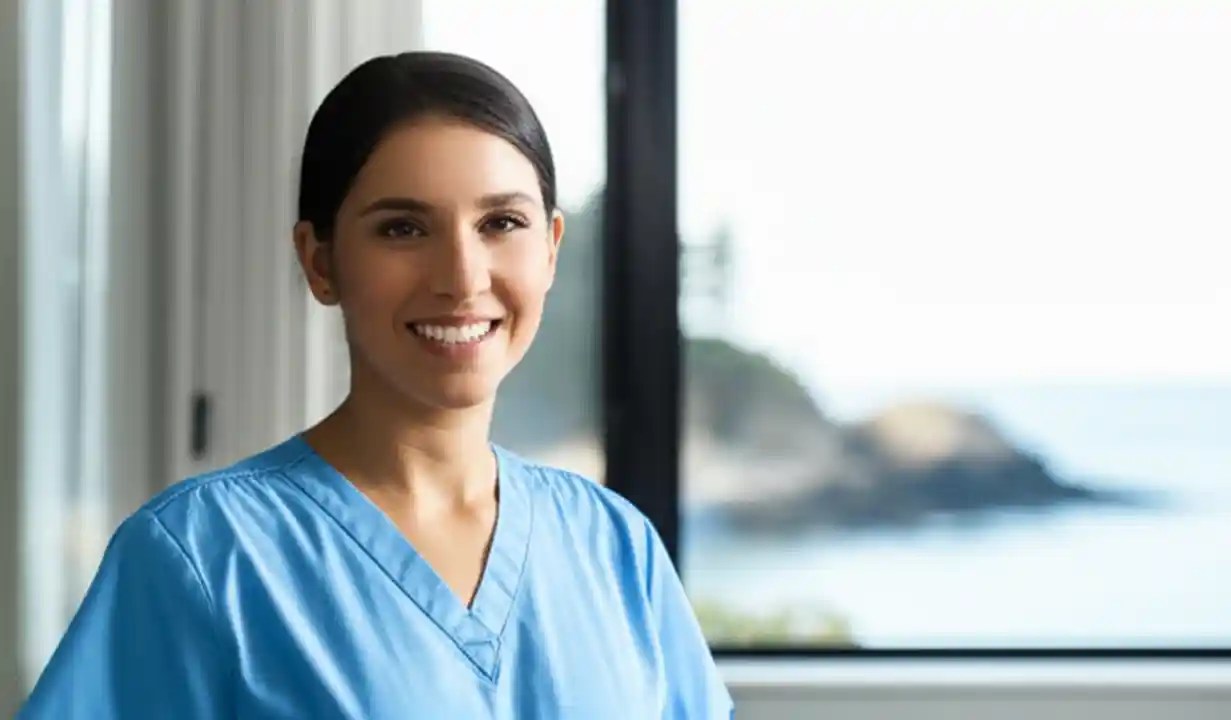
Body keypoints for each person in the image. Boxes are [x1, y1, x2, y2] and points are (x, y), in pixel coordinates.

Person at [19, 52, 733, 719]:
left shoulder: (614, 546)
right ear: (320, 261)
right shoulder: (203, 555)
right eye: (402, 229)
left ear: (549, 248)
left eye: (501, 223)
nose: (461, 277)